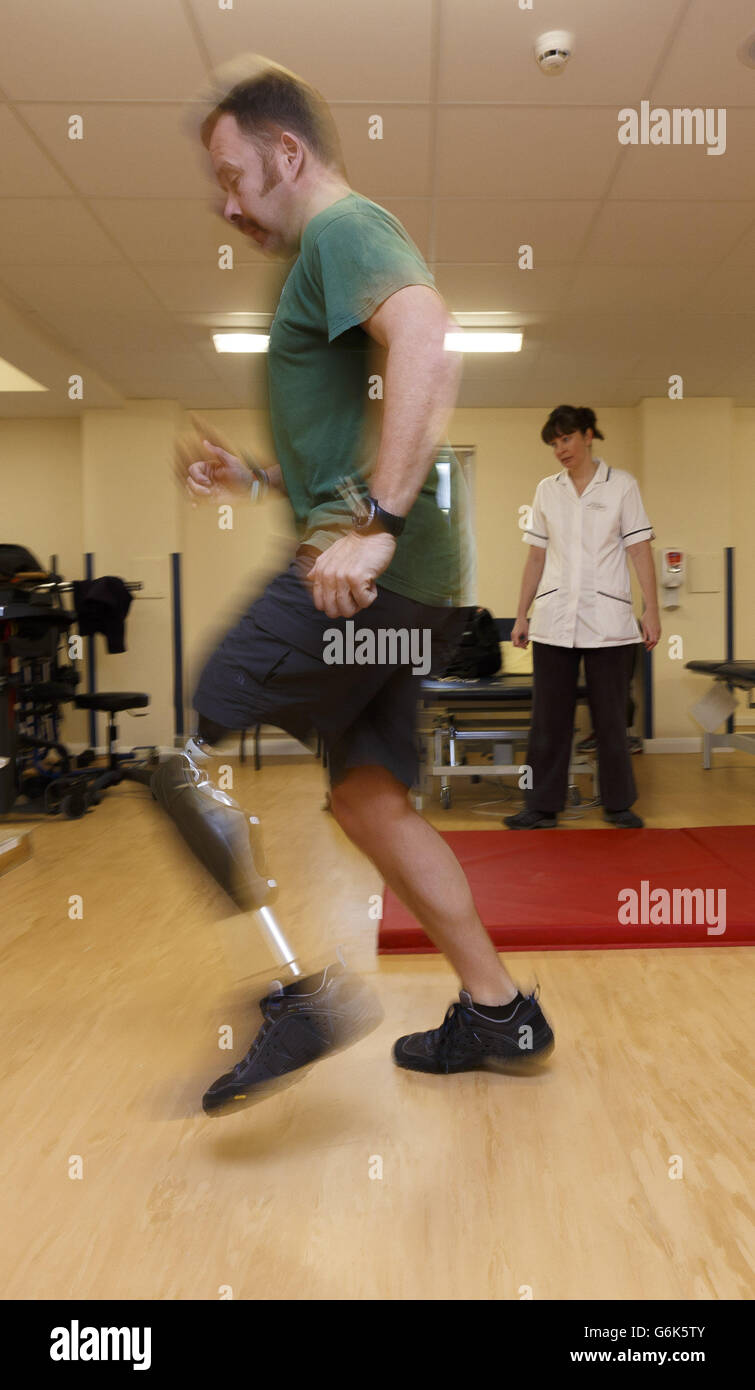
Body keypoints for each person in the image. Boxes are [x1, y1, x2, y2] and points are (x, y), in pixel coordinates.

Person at [170, 58, 554, 1115]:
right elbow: (348, 437)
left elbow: (430, 334)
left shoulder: (344, 228)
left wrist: (374, 527)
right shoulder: (319, 270)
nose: (228, 204)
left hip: (366, 581)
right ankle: (497, 1008)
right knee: (367, 799)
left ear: (285, 152)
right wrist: (253, 474)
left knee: (192, 739)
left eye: (234, 176)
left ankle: (305, 995)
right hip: (405, 593)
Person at [506, 405, 660, 831]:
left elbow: (639, 549)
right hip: (554, 619)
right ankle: (540, 806)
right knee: (548, 718)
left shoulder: (622, 486)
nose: (561, 450)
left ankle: (618, 803)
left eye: (567, 439)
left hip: (609, 623)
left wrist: (651, 608)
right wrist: (521, 614)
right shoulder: (546, 490)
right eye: (555, 444)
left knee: (609, 716)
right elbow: (536, 556)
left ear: (588, 435)